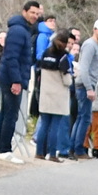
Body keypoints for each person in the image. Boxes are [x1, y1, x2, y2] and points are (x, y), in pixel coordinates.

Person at [0, 0, 38, 162]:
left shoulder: (24, 29)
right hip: (11, 79)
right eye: (32, 12)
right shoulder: (18, 31)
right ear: (24, 11)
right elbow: (11, 57)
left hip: (11, 78)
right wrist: (16, 81)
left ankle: (0, 148)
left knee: (6, 113)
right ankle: (4, 149)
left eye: (37, 13)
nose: (35, 16)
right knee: (10, 115)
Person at [31, 30, 71, 161]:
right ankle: (52, 154)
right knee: (55, 126)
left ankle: (39, 152)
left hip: (45, 93)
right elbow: (67, 80)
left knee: (44, 124)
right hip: (58, 95)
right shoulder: (63, 57)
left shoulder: (45, 54)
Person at [71, 17, 98, 158]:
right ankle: (77, 149)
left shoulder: (95, 45)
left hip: (87, 85)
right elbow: (84, 69)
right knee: (84, 119)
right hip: (84, 86)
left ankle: (73, 148)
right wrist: (89, 88)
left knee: (82, 118)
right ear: (94, 29)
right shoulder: (90, 45)